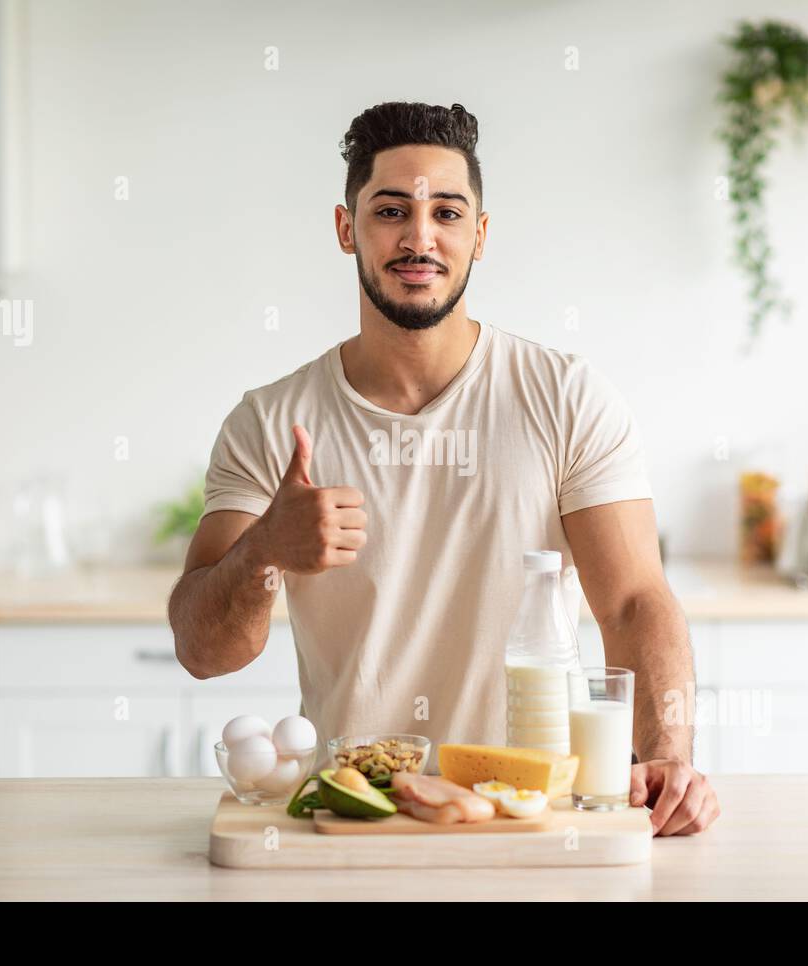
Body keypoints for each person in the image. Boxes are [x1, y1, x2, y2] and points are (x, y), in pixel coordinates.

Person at [169, 101, 718, 835]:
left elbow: (632, 605)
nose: (419, 237)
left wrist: (669, 756)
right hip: (354, 817)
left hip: (532, 814)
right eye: (390, 210)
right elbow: (204, 652)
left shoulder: (565, 396)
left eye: (448, 213)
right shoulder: (271, 421)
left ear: (480, 235)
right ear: (346, 229)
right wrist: (264, 551)